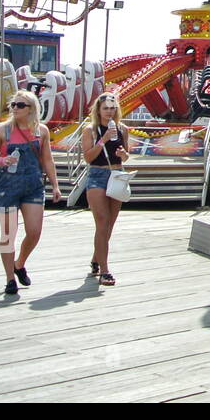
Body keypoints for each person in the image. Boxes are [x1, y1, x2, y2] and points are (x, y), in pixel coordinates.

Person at [0, 89, 61, 296]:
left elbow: (47, 160)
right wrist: (1, 160)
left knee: (34, 232)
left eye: (20, 105)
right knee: (8, 235)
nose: (15, 108)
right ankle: (9, 279)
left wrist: (55, 185)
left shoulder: (41, 131)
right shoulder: (2, 130)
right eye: (13, 105)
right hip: (7, 186)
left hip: (33, 184)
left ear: (31, 108)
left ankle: (19, 263)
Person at [82, 92, 131, 286]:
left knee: (109, 224)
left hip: (117, 174)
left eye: (112, 108)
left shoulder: (122, 129)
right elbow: (88, 157)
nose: (109, 112)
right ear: (98, 110)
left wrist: (123, 153)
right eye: (106, 108)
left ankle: (96, 258)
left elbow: (126, 156)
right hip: (97, 175)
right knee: (101, 222)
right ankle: (105, 270)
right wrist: (102, 140)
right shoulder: (91, 130)